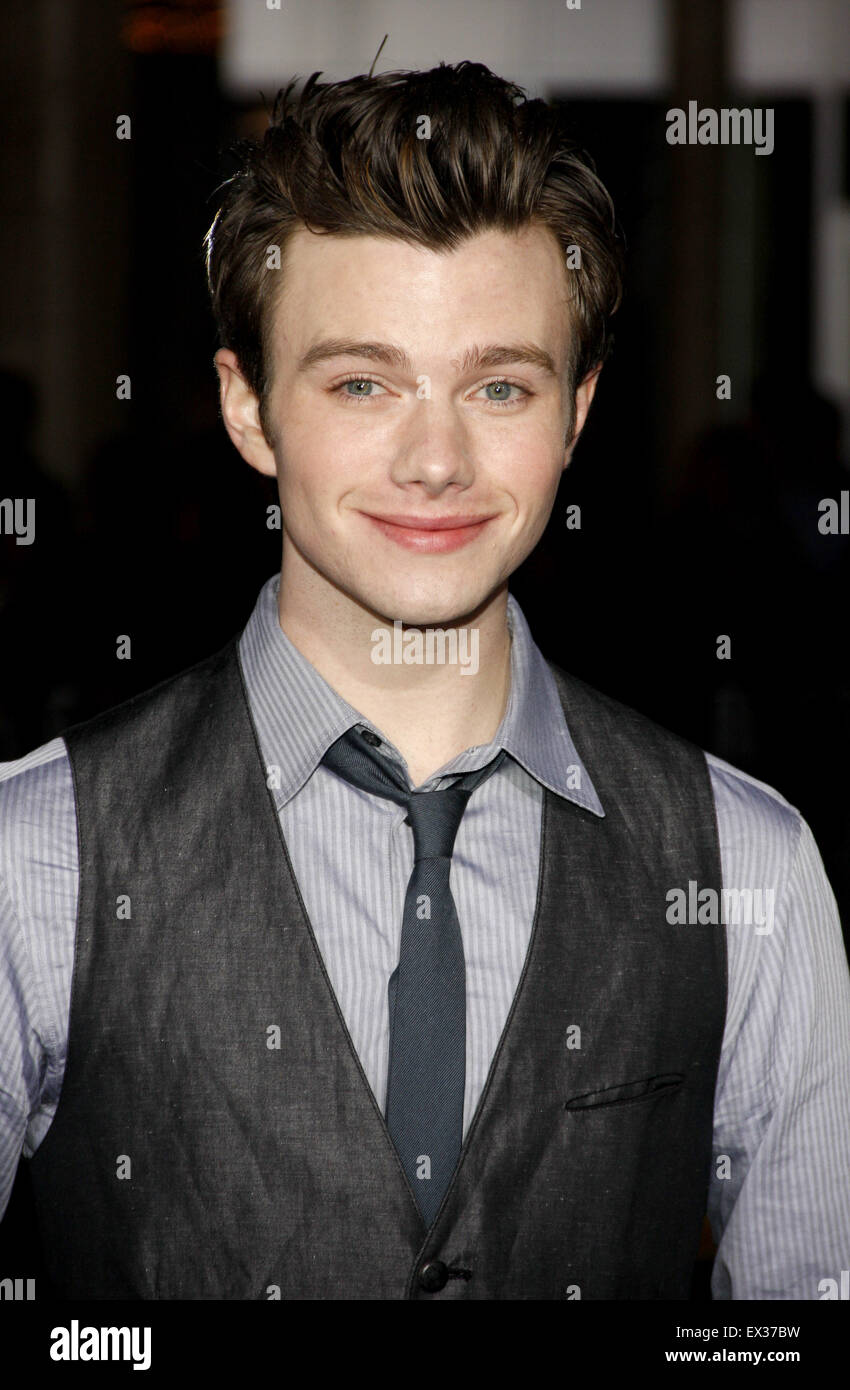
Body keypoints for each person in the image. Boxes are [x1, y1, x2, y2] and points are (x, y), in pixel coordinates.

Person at [1, 61, 848, 1301]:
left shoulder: (748, 864)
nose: (438, 458)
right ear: (248, 409)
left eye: (499, 385)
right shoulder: (36, 861)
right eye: (362, 383)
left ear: (575, 413)